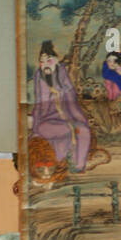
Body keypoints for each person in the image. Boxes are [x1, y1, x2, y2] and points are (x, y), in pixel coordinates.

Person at [30, 41, 93, 173]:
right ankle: (61, 160)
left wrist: (81, 121)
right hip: (46, 124)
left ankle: (77, 166)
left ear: (57, 61)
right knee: (69, 129)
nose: (45, 64)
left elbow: (72, 104)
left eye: (49, 60)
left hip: (65, 120)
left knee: (83, 130)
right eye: (42, 62)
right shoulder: (39, 78)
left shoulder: (63, 77)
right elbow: (37, 107)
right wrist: (35, 129)